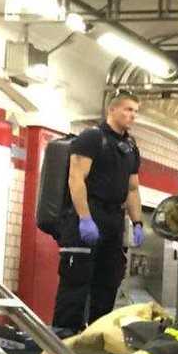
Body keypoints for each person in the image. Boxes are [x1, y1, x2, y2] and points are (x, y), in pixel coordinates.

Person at [53, 90, 145, 332]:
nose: (132, 115)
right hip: (87, 213)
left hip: (113, 218)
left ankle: (96, 336)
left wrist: (137, 222)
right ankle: (64, 336)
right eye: (127, 109)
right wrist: (84, 218)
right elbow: (76, 178)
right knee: (77, 281)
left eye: (135, 111)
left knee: (108, 282)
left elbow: (132, 189)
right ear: (112, 110)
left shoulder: (130, 146)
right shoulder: (92, 137)